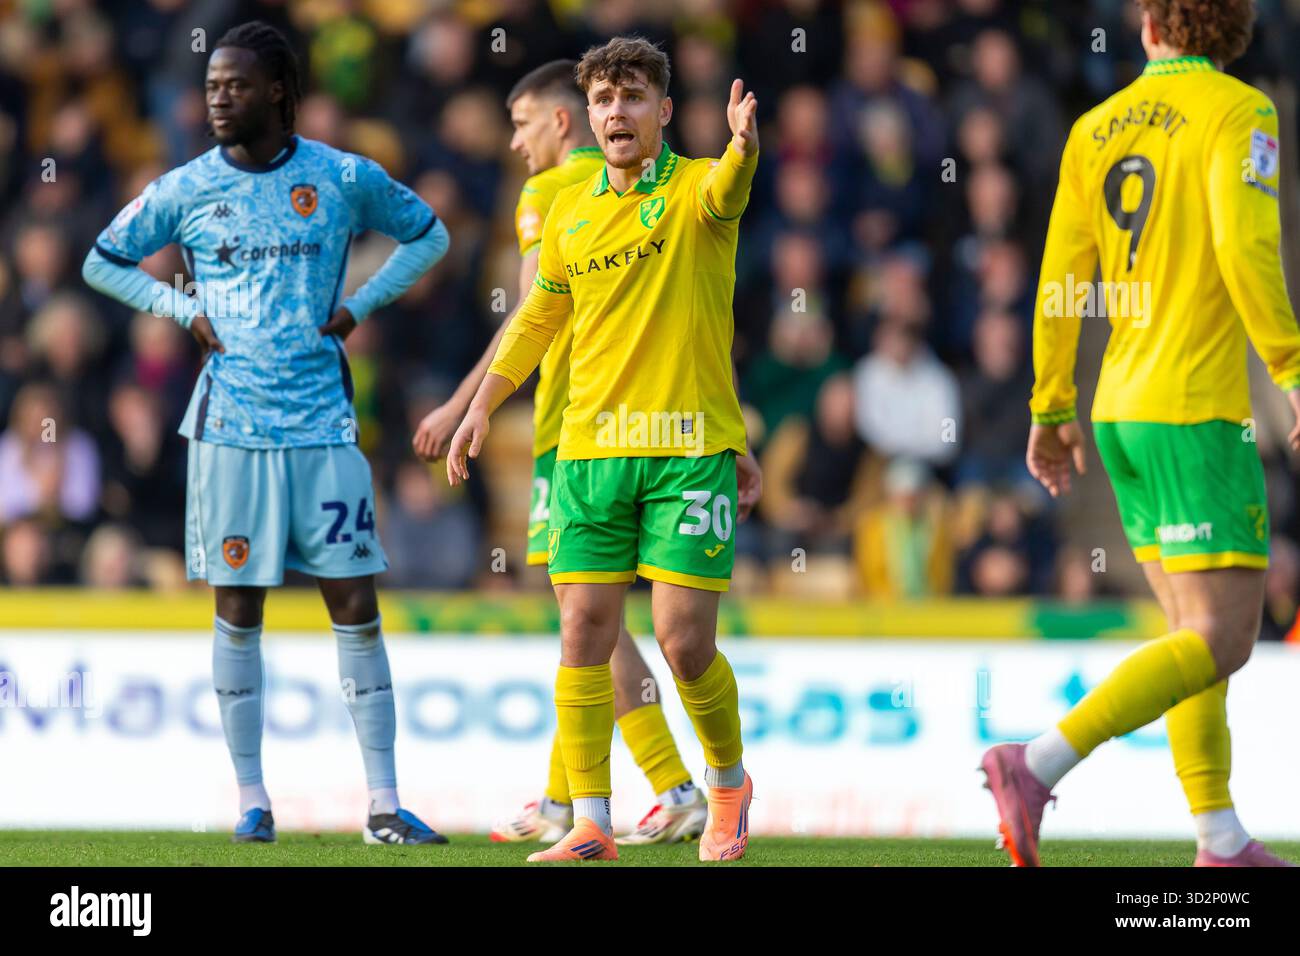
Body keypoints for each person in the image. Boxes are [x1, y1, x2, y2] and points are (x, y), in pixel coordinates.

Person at [81, 21, 451, 846]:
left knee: (354, 603)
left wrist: (359, 304)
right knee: (238, 607)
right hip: (230, 430)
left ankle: (385, 805)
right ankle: (252, 801)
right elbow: (101, 260)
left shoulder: (341, 176)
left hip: (322, 423)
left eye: (235, 85)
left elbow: (429, 233)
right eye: (212, 85)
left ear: (278, 92)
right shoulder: (185, 187)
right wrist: (181, 308)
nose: (217, 98)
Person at [982, 0, 1297, 867]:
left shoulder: (1094, 127)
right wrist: (1292, 364)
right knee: (1224, 637)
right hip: (1194, 409)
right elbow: (1245, 247)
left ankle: (1219, 839)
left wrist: (1051, 405)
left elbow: (1058, 279)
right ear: (1232, 29)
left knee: (1191, 638)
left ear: (1151, 25)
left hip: (1118, 409)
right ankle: (1036, 763)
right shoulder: (1242, 111)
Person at [446, 37, 763, 863]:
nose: (616, 112)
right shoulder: (571, 211)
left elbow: (731, 189)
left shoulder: (697, 188)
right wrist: (482, 405)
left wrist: (742, 149)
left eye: (632, 97)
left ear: (663, 109)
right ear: (586, 115)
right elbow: (539, 318)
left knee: (682, 640)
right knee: (583, 627)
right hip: (590, 450)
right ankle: (590, 819)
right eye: (604, 100)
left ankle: (726, 784)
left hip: (685, 450)